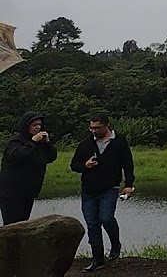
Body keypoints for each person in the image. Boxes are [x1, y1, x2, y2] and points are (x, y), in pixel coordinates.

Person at [70, 114, 135, 271]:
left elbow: (128, 164)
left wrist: (128, 184)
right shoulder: (85, 144)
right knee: (92, 225)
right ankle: (97, 259)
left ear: (106, 125)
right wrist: (85, 165)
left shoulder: (119, 142)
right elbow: (74, 165)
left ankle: (115, 244)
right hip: (89, 190)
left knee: (106, 218)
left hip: (110, 188)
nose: (94, 131)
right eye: (91, 128)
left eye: (97, 128)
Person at [0, 111, 58, 225]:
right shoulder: (16, 142)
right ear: (26, 126)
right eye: (34, 125)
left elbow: (51, 157)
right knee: (13, 226)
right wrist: (32, 142)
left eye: (39, 125)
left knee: (24, 224)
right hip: (11, 193)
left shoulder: (40, 145)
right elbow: (18, 156)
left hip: (28, 192)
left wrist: (47, 144)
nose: (38, 127)